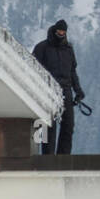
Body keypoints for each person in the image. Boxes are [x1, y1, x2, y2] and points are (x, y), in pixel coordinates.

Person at [32, 19, 85, 154]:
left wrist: (78, 91)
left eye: (63, 32)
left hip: (66, 91)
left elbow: (72, 72)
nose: (61, 33)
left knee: (68, 126)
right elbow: (33, 69)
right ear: (55, 31)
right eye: (59, 31)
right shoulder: (42, 48)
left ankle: (63, 157)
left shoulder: (69, 50)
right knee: (48, 126)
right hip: (47, 91)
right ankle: (48, 158)